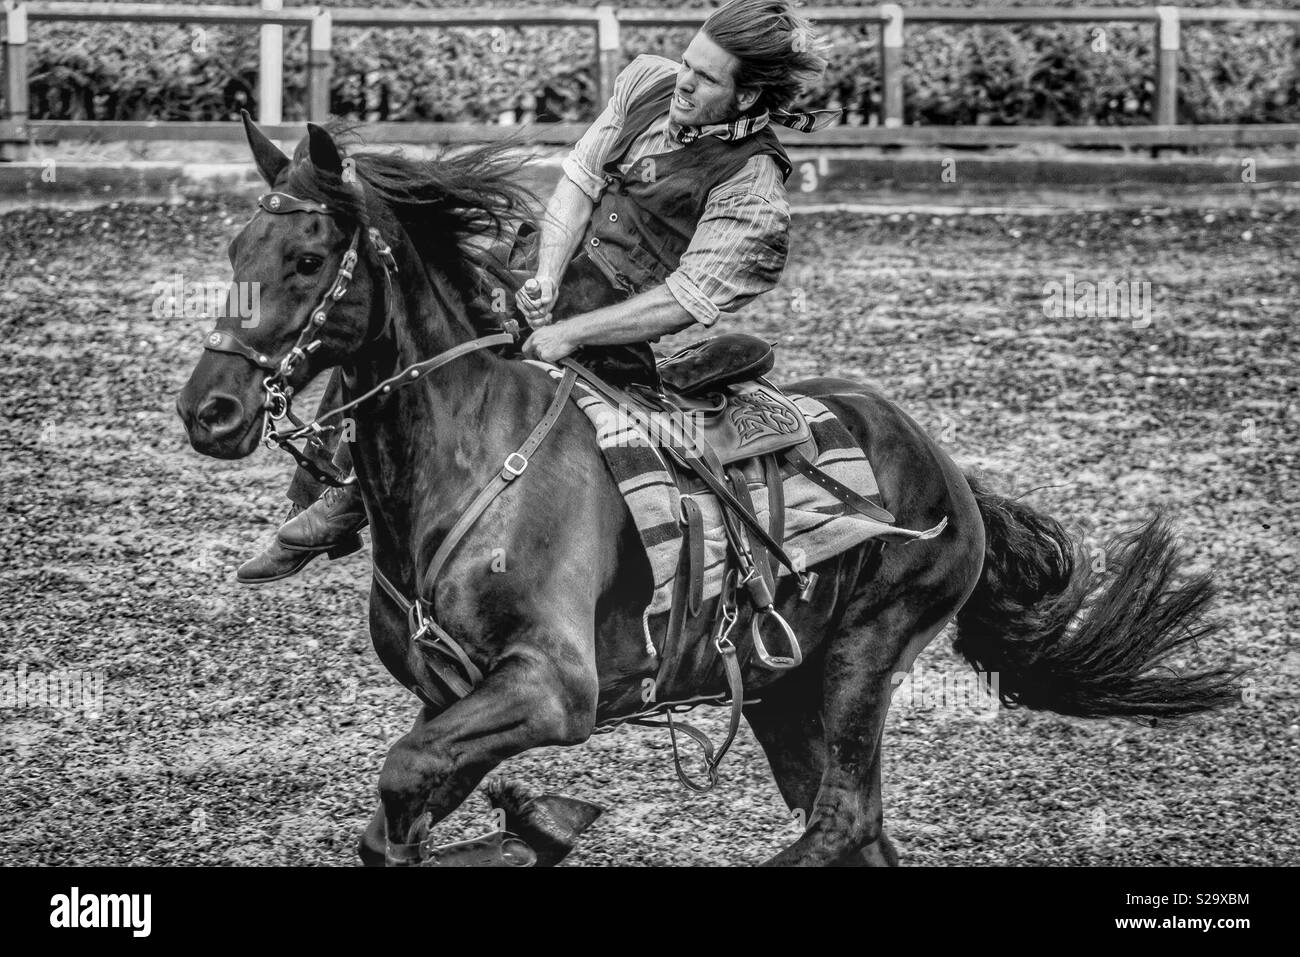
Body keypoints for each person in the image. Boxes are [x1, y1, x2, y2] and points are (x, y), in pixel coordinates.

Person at [238, 0, 838, 584]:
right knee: (394, 312)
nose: (682, 82)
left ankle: (362, 512)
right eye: (687, 62)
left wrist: (564, 333)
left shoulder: (753, 189)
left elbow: (682, 299)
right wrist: (548, 274)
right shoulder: (648, 83)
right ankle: (317, 502)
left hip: (615, 327)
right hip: (536, 271)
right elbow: (578, 183)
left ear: (749, 96)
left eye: (704, 79)